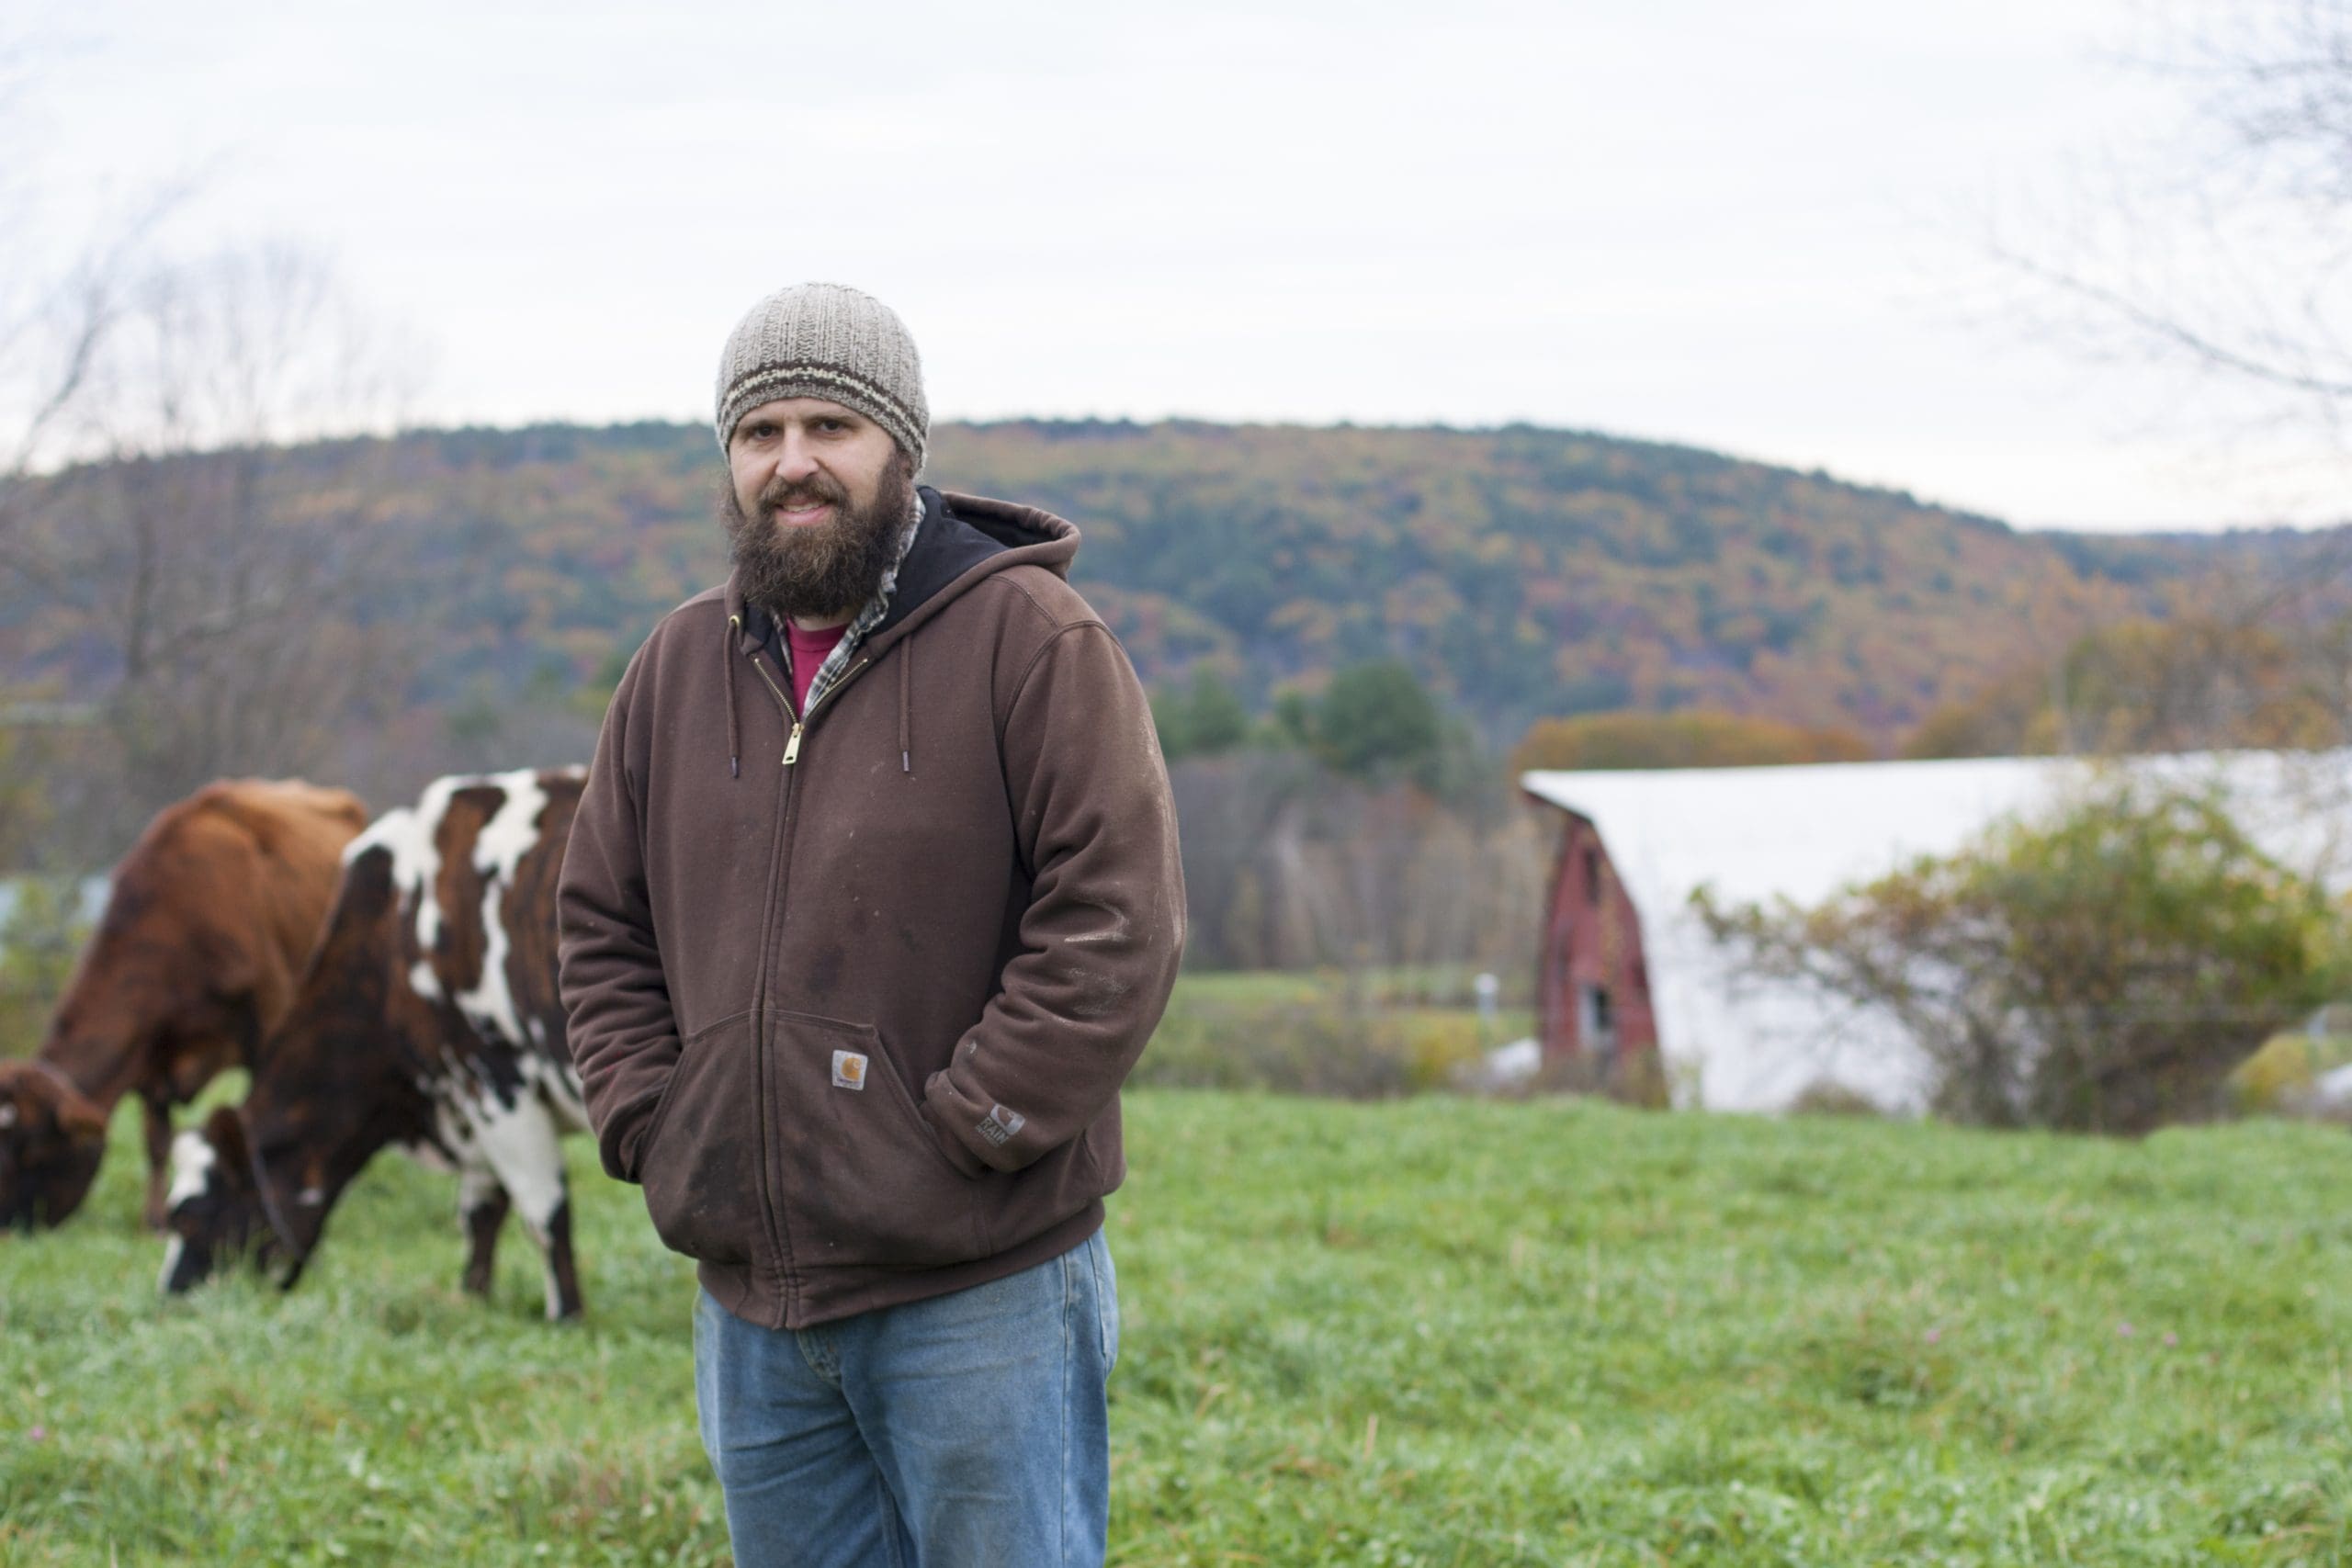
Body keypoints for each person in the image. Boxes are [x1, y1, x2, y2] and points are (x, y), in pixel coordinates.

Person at [556, 282, 1185, 1567]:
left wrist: (966, 1128)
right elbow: (598, 924)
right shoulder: (677, 668)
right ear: (729, 462)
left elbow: (1116, 919)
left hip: (980, 1287)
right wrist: (651, 1120)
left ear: (903, 446)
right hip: (755, 1307)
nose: (793, 464)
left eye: (831, 426)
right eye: (759, 432)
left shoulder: (1032, 641)